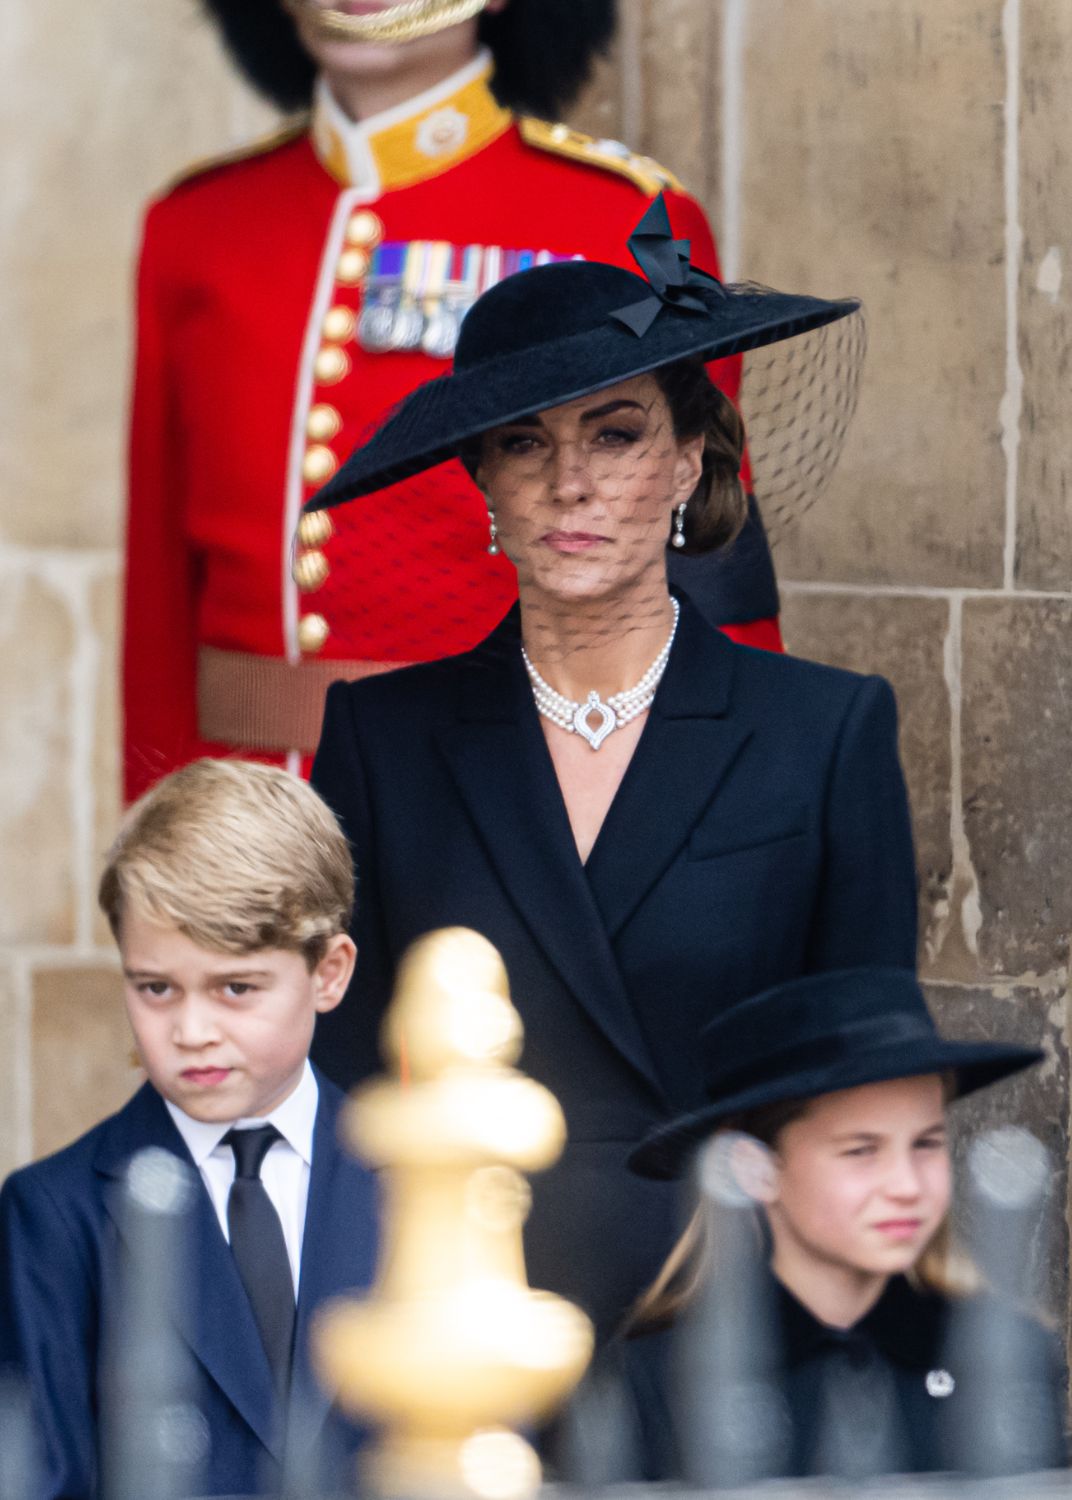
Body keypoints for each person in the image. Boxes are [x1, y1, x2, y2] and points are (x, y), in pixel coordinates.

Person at [305, 200, 918, 1339]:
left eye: (616, 432)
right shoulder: (380, 742)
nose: (570, 483)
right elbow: (341, 1087)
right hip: (464, 1330)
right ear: (482, 479)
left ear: (690, 458)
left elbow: (866, 1087)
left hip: (731, 1326)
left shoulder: (824, 731)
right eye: (526, 442)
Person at [123, 0, 784, 803]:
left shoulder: (622, 221)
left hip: (506, 809)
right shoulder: (197, 226)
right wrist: (156, 856)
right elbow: (159, 599)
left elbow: (710, 566)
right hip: (240, 824)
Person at [0, 760, 379, 1500]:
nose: (192, 1030)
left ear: (329, 973)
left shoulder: (419, 1183)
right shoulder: (51, 1215)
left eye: (235, 987)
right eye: (156, 988)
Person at [624, 966, 1066, 1478]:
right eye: (861, 1150)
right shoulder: (656, 1380)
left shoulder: (1007, 1358)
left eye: (926, 1143)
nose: (906, 1185)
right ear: (750, 1166)